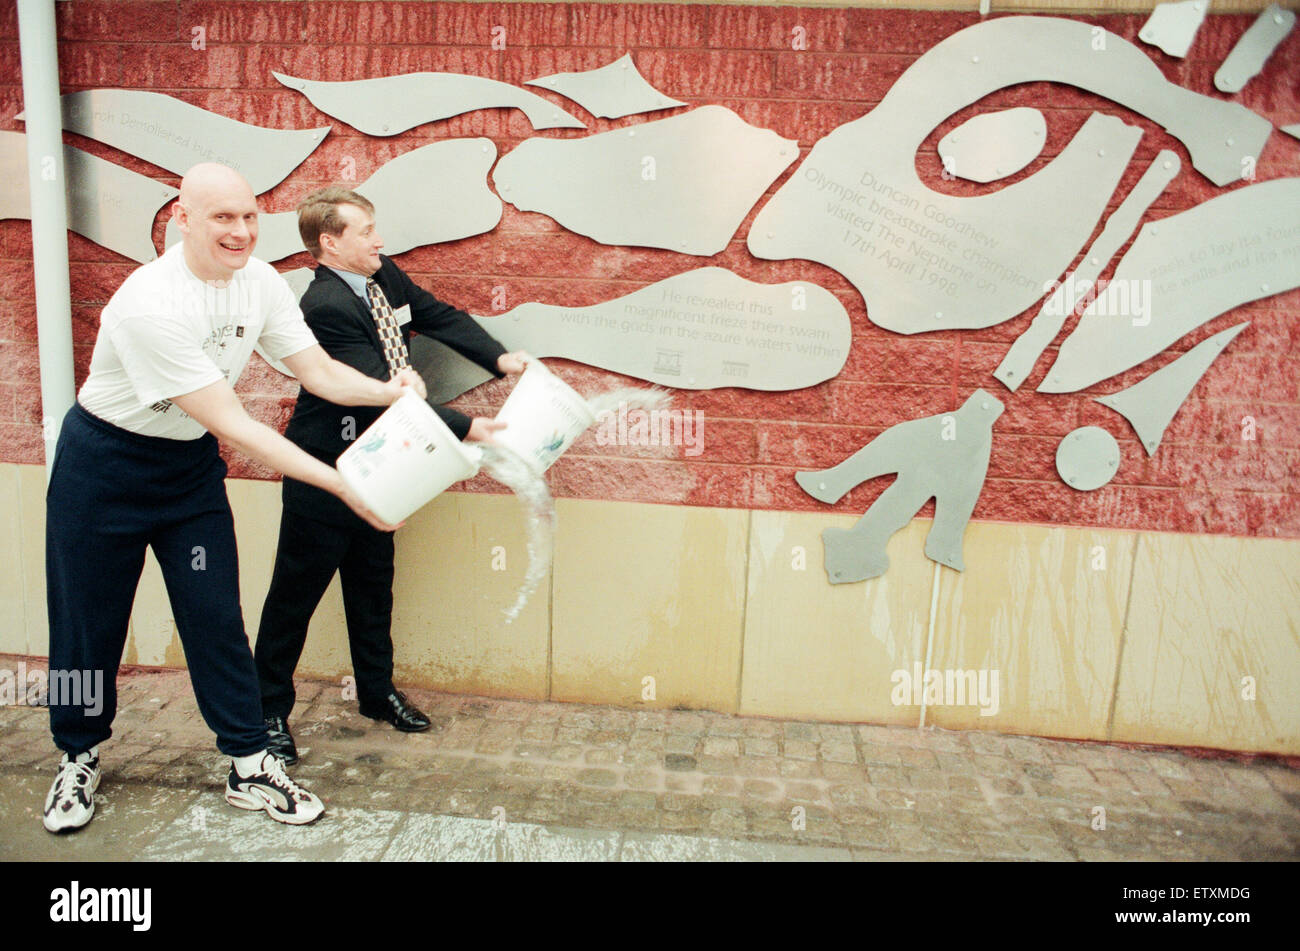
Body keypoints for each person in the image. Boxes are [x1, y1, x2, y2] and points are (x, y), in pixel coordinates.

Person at [42, 164, 429, 834]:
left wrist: (388, 390)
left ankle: (250, 761)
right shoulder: (150, 302)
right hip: (103, 468)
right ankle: (78, 752)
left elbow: (315, 369)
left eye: (250, 216)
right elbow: (238, 425)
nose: (242, 231)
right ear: (182, 218)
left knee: (215, 611)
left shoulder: (260, 285)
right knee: (88, 621)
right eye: (223, 217)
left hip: (187, 471)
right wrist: (342, 482)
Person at [253, 186, 525, 764]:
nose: (380, 239)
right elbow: (381, 390)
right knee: (294, 598)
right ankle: (267, 710)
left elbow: (436, 315)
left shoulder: (384, 277)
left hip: (386, 463)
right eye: (366, 230)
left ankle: (376, 694)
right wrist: (467, 427)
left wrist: (499, 357)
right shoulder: (323, 306)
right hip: (326, 466)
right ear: (330, 242)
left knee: (373, 586)